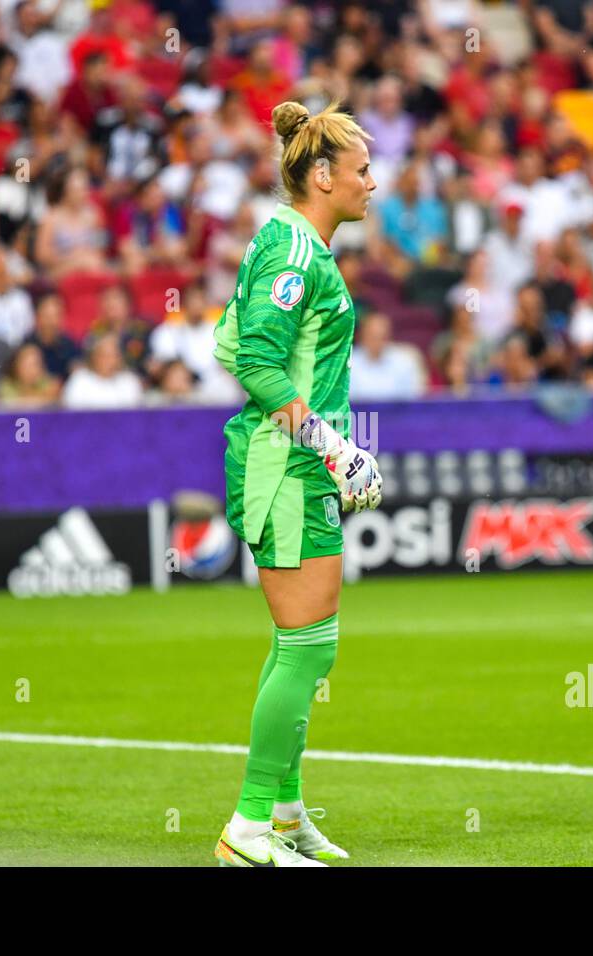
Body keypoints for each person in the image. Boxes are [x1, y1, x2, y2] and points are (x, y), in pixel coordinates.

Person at [210, 100, 383, 868]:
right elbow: (252, 362)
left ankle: (281, 814)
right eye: (361, 170)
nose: (372, 184)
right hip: (285, 467)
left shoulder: (292, 243)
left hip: (293, 463)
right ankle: (246, 827)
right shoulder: (295, 255)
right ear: (322, 175)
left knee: (299, 645)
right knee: (310, 650)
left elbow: (226, 339)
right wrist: (334, 448)